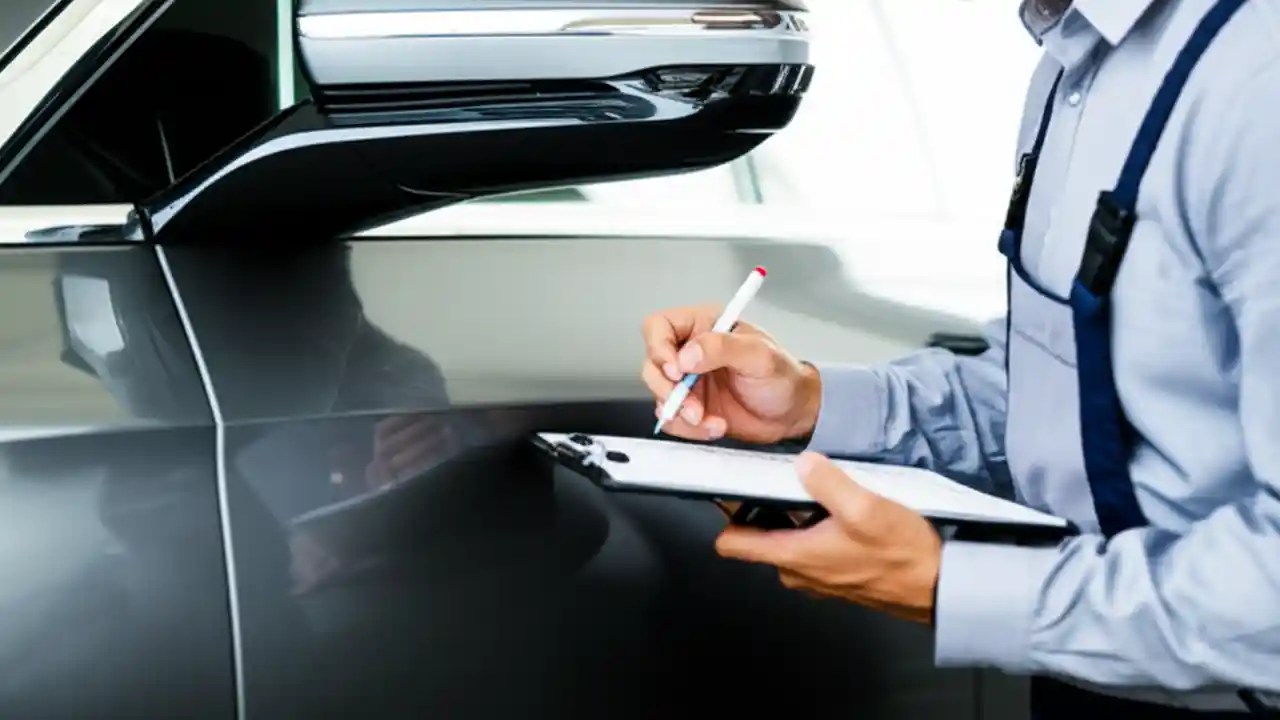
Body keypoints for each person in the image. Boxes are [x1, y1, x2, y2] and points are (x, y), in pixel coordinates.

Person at [640, 0, 1280, 717]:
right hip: (1090, 681)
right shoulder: (1071, 65)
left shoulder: (1257, 82)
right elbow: (1059, 384)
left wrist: (952, 587)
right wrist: (812, 401)